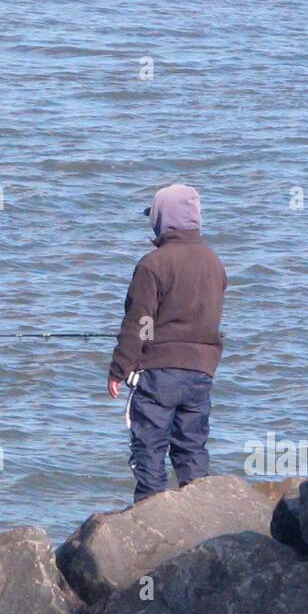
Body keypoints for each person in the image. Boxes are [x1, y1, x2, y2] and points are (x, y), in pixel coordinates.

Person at [108, 183, 227, 502]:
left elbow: (139, 323)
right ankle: (201, 517)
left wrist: (120, 367)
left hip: (159, 373)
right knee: (192, 450)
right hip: (201, 373)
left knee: (149, 448)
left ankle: (148, 517)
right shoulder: (214, 263)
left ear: (165, 220)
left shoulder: (153, 264)